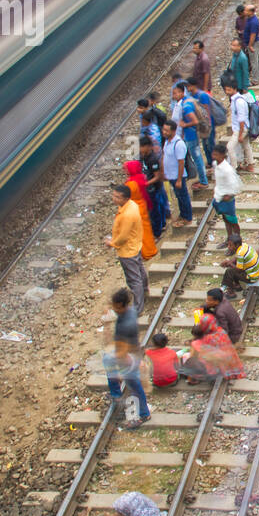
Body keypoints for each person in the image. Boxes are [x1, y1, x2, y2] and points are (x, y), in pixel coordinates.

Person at [103, 288, 151, 429]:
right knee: (108, 362)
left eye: (116, 307)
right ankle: (116, 395)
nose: (115, 309)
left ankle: (144, 414)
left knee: (134, 386)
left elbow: (126, 348)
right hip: (125, 351)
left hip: (128, 356)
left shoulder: (126, 325)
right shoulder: (129, 311)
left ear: (123, 305)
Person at [106, 184, 149, 309]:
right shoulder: (131, 205)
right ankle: (145, 290)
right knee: (140, 270)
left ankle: (138, 307)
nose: (114, 198)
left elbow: (123, 237)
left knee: (133, 279)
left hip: (127, 251)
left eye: (117, 197)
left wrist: (112, 243)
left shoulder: (127, 214)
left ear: (125, 198)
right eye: (114, 195)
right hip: (135, 245)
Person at [174, 82, 209, 188]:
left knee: (197, 158)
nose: (173, 96)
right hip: (190, 135)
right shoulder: (187, 102)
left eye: (175, 93)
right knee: (195, 157)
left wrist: (184, 125)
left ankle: (203, 181)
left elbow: (194, 121)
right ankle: (198, 177)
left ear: (181, 92)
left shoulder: (185, 106)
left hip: (191, 136)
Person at [121, 162, 157, 262]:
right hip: (142, 205)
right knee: (146, 229)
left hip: (135, 208)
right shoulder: (140, 177)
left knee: (141, 232)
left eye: (126, 169)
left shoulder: (131, 184)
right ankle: (151, 249)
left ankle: (148, 252)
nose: (125, 171)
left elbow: (126, 197)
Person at [160, 120, 193, 227]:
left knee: (183, 196)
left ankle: (187, 217)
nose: (164, 132)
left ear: (173, 131)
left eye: (166, 130)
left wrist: (179, 179)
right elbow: (165, 156)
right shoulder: (167, 141)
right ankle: (183, 214)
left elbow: (181, 162)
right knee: (178, 196)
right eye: (163, 129)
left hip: (177, 176)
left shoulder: (179, 144)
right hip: (171, 175)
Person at [210, 141, 242, 245]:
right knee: (226, 220)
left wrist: (229, 196)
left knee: (232, 221)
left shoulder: (227, 170)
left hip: (226, 199)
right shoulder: (215, 164)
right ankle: (229, 239)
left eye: (216, 154)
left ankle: (237, 242)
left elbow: (235, 185)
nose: (214, 156)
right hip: (219, 196)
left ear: (223, 155)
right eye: (213, 154)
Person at [138, 136, 168, 237]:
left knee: (155, 210)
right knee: (154, 209)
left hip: (154, 188)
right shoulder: (141, 157)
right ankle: (160, 225)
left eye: (142, 146)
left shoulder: (153, 159)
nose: (140, 149)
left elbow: (157, 176)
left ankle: (157, 232)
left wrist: (147, 183)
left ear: (149, 147)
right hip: (147, 189)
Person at [224, 80, 255, 172]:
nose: (227, 92)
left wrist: (240, 134)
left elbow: (241, 120)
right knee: (246, 145)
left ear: (235, 89)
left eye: (229, 90)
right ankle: (250, 164)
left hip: (240, 129)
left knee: (230, 147)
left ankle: (234, 167)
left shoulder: (239, 102)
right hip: (241, 128)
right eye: (226, 90)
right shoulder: (236, 100)